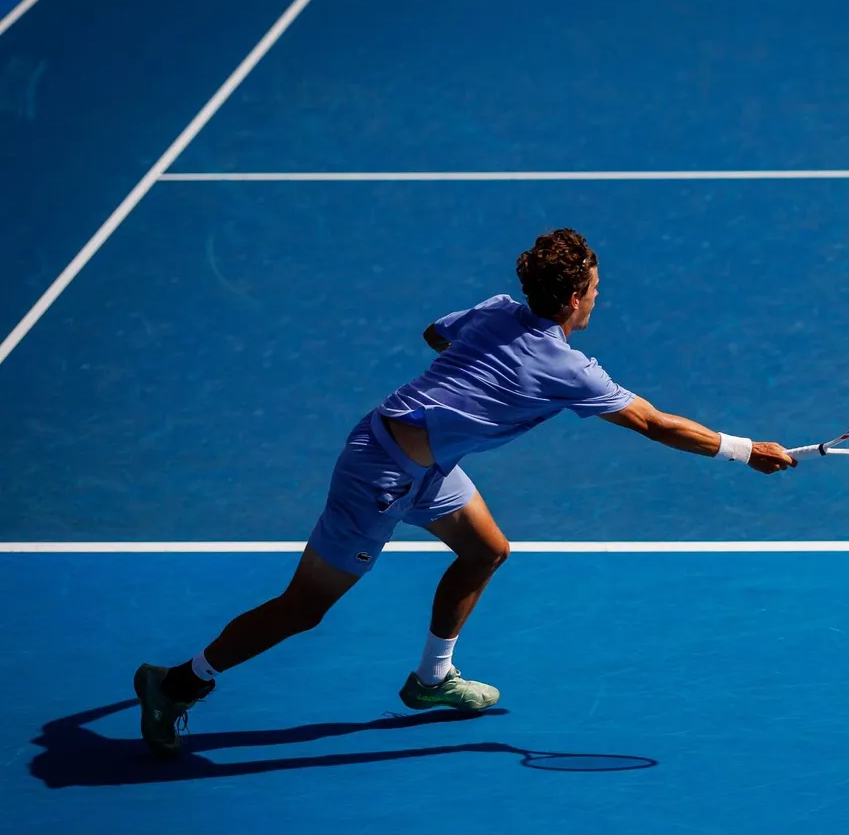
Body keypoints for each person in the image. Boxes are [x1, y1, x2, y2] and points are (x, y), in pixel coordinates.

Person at [131, 229, 793, 758]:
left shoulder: (500, 310)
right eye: (594, 290)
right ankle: (178, 682)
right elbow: (653, 423)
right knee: (303, 609)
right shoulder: (567, 367)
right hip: (378, 476)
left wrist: (471, 380)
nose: (597, 299)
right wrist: (745, 449)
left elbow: (436, 335)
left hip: (427, 459)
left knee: (485, 550)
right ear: (571, 301)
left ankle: (429, 680)